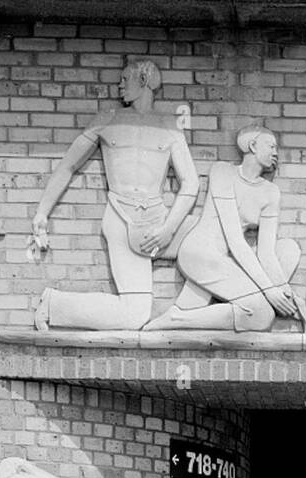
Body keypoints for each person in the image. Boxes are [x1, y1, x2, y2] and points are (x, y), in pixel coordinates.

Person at [32, 58, 200, 331]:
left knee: (210, 234)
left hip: (158, 220)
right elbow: (68, 165)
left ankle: (214, 312)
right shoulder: (108, 119)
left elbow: (190, 184)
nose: (119, 85)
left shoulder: (169, 126)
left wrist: (169, 229)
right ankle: (54, 305)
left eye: (125, 79)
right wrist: (42, 212)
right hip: (121, 219)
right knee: (135, 315)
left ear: (143, 81)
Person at [144, 124, 300, 332]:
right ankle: (175, 319)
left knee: (288, 249)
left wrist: (284, 291)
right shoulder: (223, 172)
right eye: (271, 146)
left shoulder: (270, 192)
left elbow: (266, 253)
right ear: (253, 145)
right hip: (200, 254)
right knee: (261, 313)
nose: (276, 152)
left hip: (222, 261)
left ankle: (179, 316)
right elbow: (234, 238)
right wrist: (269, 290)